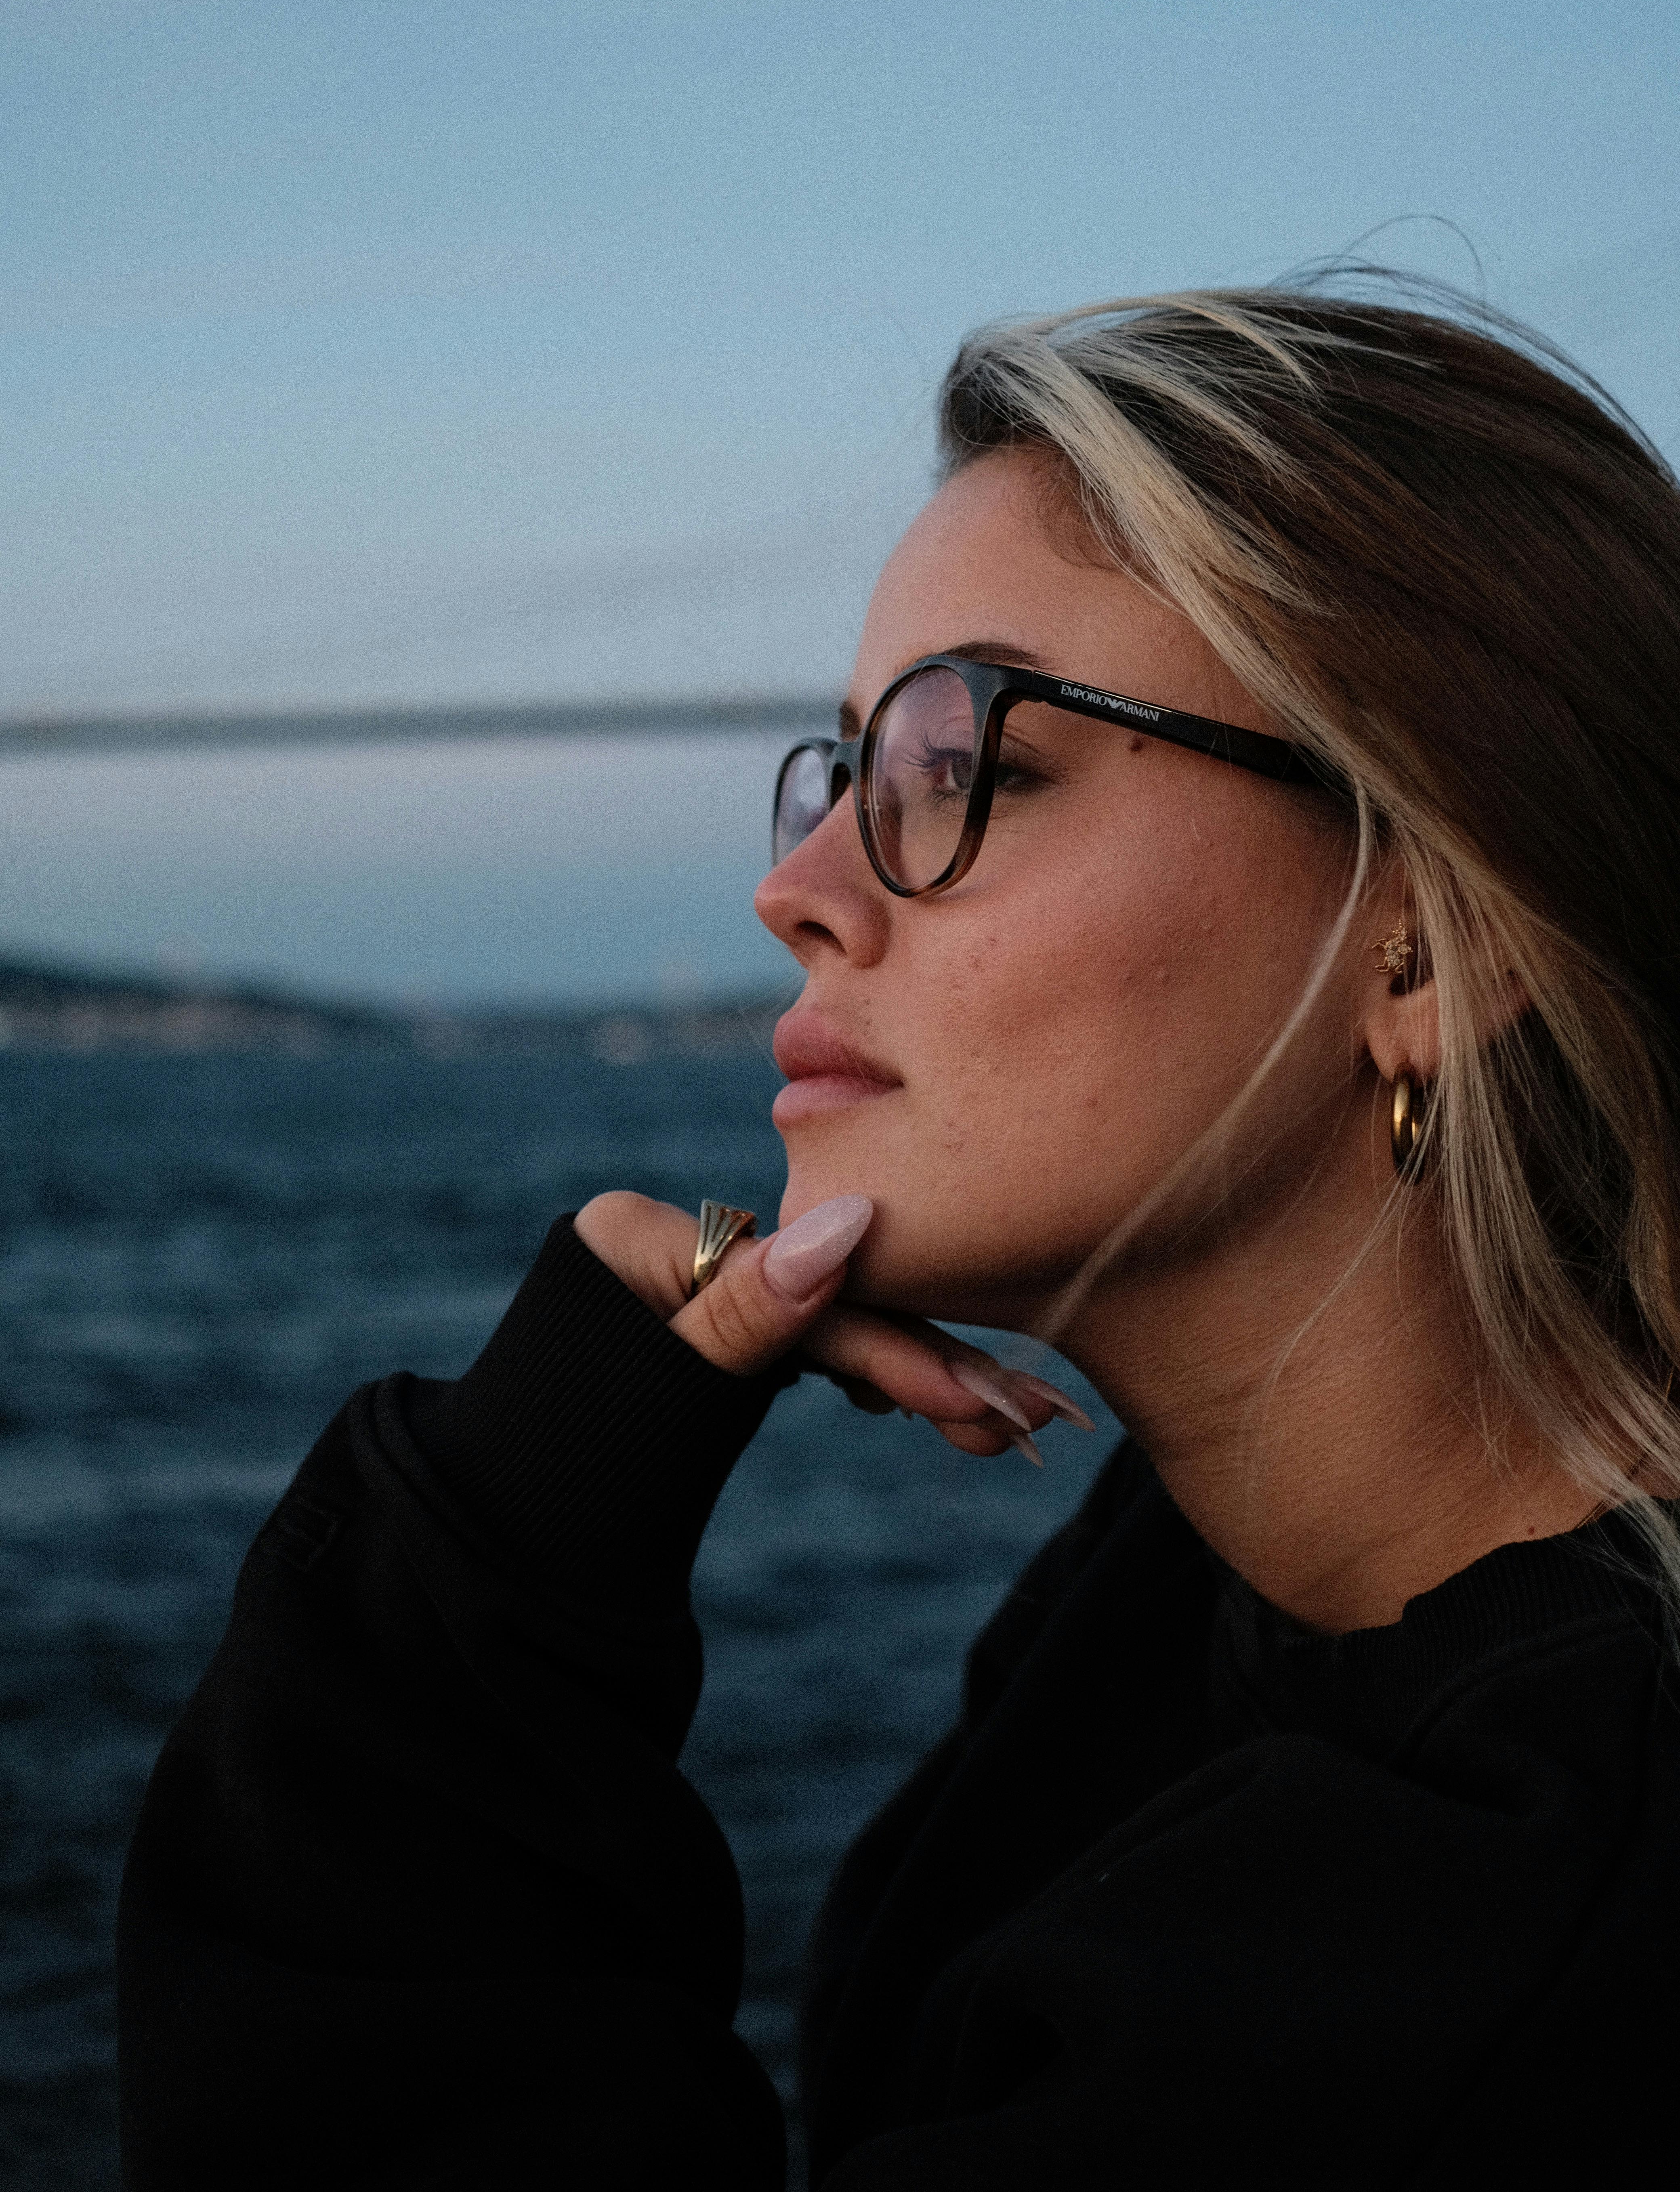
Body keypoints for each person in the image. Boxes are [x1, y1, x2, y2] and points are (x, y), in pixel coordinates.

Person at [118, 279, 1680, 2187]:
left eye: (969, 766)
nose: (793, 888)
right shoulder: (1196, 1590)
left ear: (1431, 937)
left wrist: (474, 1582)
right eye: (844, 766)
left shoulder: (1485, 1993)